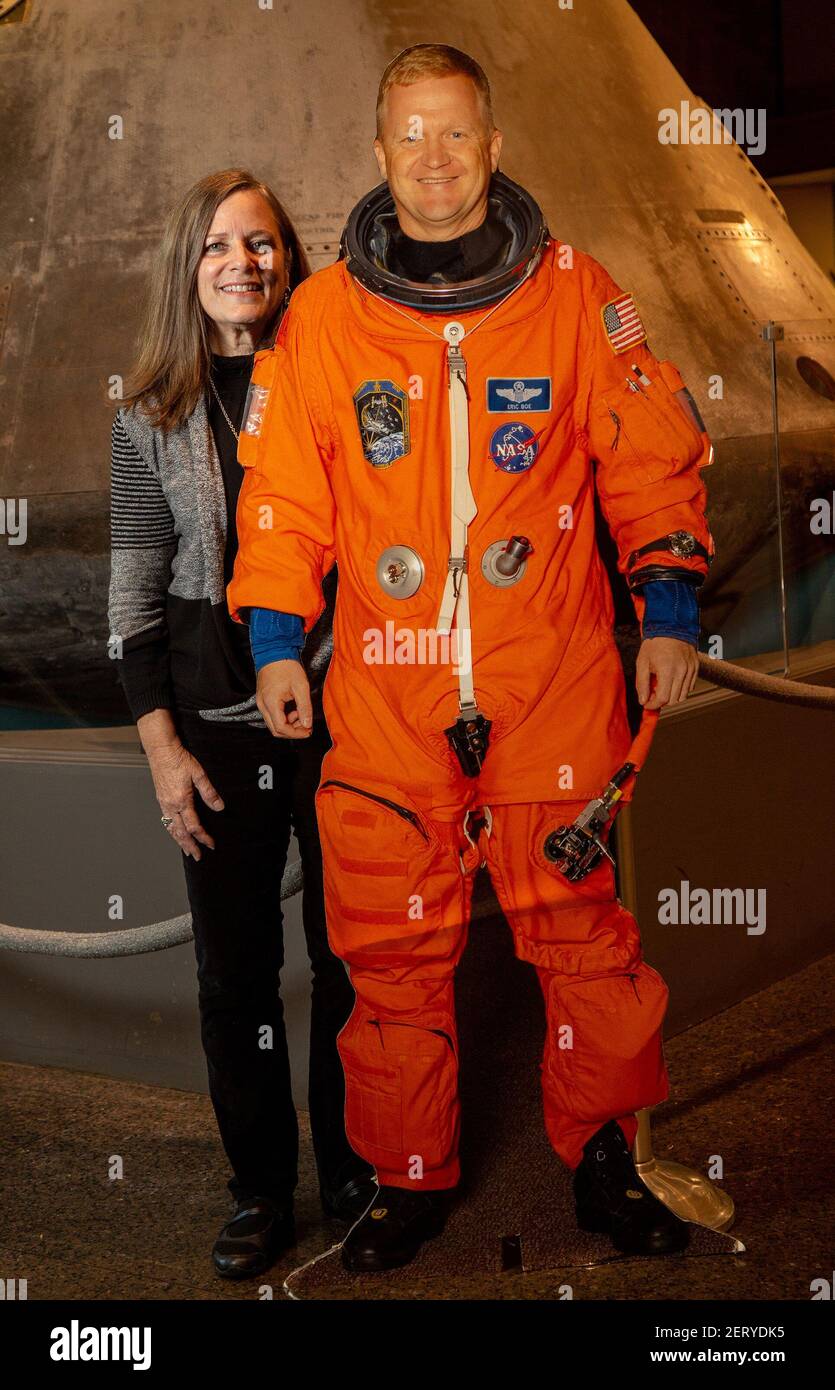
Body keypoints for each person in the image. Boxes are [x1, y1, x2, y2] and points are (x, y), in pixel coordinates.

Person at [227, 46, 715, 1273]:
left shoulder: (573, 296)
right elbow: (284, 498)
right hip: (387, 689)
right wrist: (277, 639)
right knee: (388, 949)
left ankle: (608, 1164)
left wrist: (665, 603)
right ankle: (404, 1180)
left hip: (548, 675)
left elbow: (646, 459)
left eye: (457, 137)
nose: (434, 161)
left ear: (492, 150)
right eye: (410, 137)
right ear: (379, 152)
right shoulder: (325, 316)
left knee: (582, 937)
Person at [106, 169, 374, 1281]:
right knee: (236, 978)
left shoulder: (335, 380)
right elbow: (130, 607)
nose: (242, 262)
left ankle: (361, 1172)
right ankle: (263, 1191)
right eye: (220, 244)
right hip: (217, 732)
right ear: (190, 264)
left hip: (342, 717)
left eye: (261, 243)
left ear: (287, 260)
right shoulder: (148, 415)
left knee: (350, 959)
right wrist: (164, 750)